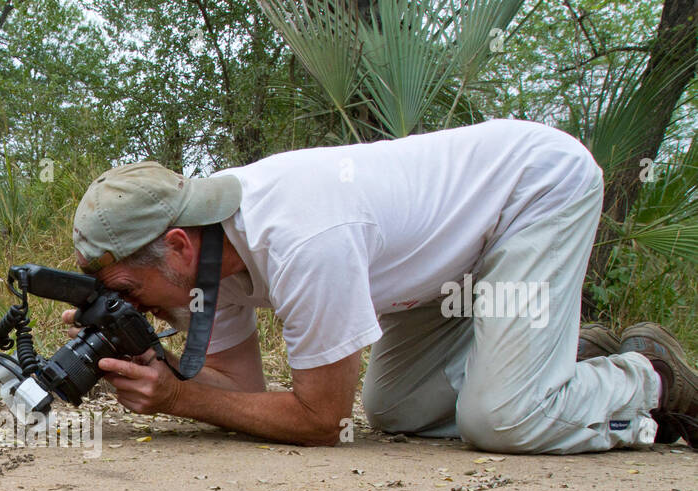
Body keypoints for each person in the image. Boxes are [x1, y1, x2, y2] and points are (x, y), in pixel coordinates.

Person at [64, 119, 697, 452]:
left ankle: (650, 376)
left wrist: (178, 400)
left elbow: (319, 420)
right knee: (395, 410)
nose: (130, 301)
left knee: (503, 423)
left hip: (529, 191)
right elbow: (244, 392)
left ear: (177, 245)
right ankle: (551, 358)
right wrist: (148, 356)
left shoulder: (300, 238)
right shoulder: (202, 255)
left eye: (128, 288)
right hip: (438, 267)